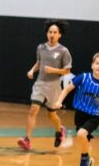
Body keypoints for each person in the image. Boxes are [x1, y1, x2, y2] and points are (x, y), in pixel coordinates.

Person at [55, 52, 99, 166]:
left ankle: (84, 158)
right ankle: (88, 161)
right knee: (83, 139)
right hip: (80, 114)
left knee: (81, 134)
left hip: (95, 116)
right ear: (92, 65)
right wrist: (59, 101)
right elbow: (67, 89)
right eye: (97, 63)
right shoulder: (83, 77)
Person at [18, 21, 72, 151]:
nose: (51, 34)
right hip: (40, 83)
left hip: (54, 86)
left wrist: (53, 70)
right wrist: (32, 70)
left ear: (60, 35)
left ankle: (60, 131)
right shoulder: (41, 47)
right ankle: (27, 139)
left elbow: (67, 71)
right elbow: (39, 62)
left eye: (54, 32)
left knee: (51, 115)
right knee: (33, 109)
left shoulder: (63, 51)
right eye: (49, 32)